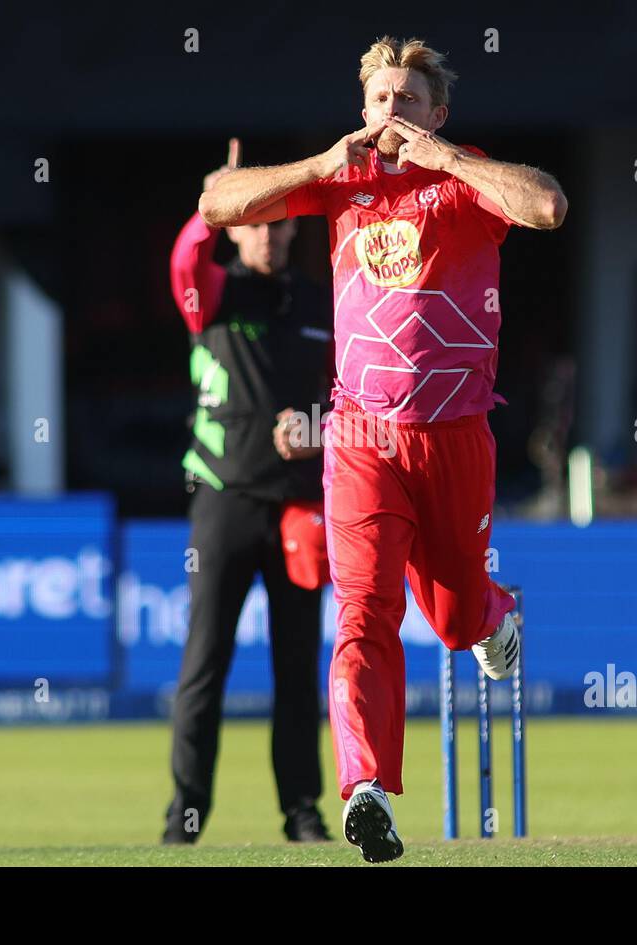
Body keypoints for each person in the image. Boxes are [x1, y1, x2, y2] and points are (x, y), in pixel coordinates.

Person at [199, 37, 567, 862]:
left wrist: (448, 161)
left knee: (452, 614)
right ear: (361, 111)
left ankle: (491, 615)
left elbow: (547, 207)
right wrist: (321, 162)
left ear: (438, 112)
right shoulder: (343, 179)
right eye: (378, 101)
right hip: (362, 436)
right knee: (363, 613)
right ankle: (367, 788)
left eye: (407, 101)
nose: (390, 115)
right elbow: (219, 203)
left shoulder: (463, 176)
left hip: (456, 433)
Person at [164, 139, 336, 845]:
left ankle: (302, 813)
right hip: (224, 502)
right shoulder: (215, 294)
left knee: (297, 674)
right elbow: (183, 263)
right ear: (236, 229)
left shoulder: (323, 303)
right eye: (253, 222)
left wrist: (322, 430)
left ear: (294, 226)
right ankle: (186, 819)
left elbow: (355, 400)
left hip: (301, 509)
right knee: (205, 665)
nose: (267, 234)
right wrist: (210, 205)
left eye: (277, 222)